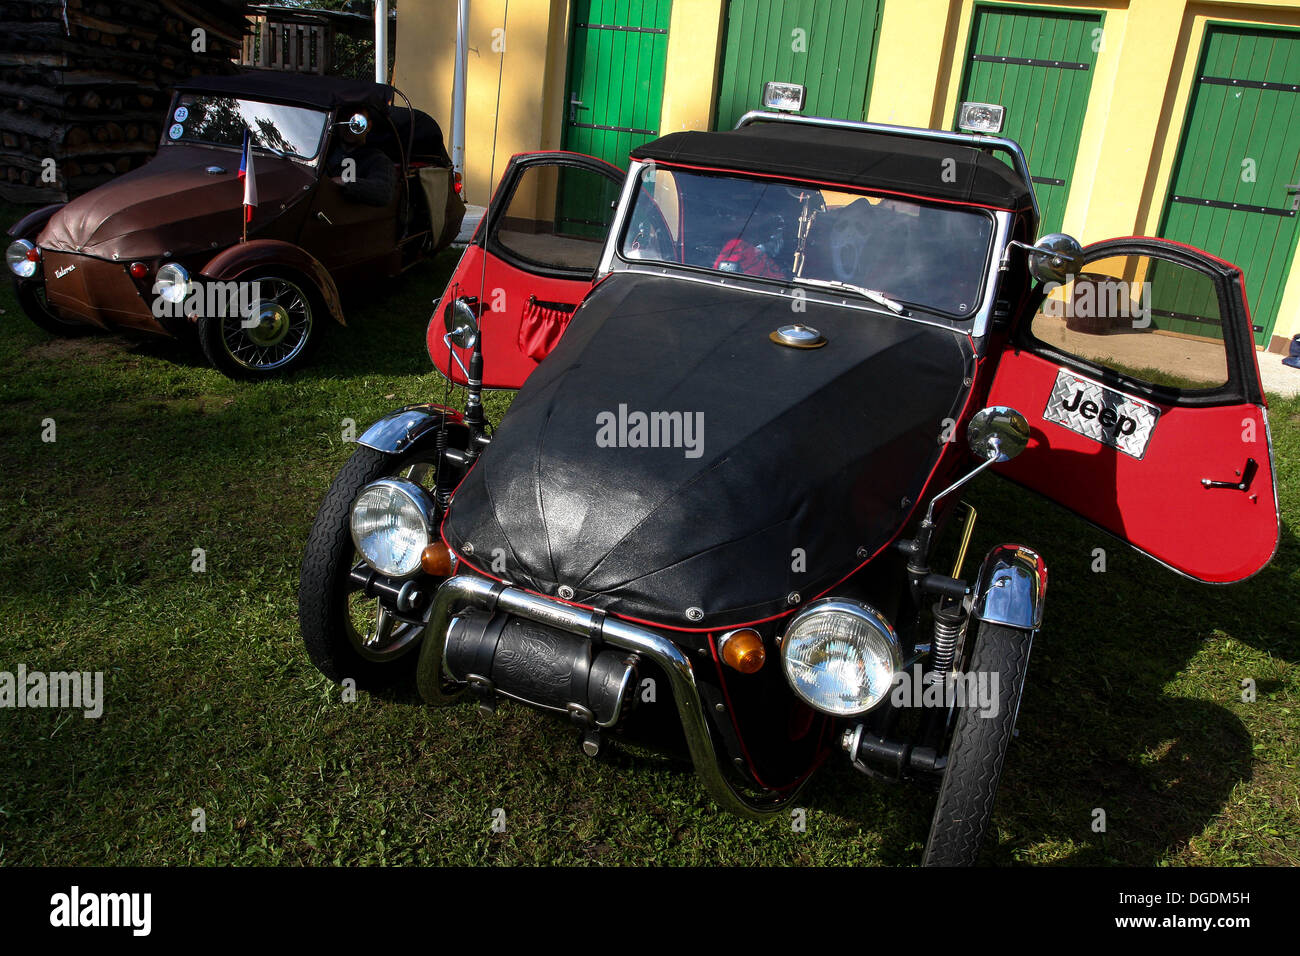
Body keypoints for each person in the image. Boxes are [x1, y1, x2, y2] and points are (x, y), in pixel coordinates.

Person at [326, 106, 397, 207]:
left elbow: (384, 191)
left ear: (368, 126)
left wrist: (346, 182)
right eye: (345, 119)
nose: (349, 126)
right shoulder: (326, 149)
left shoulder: (377, 159)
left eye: (357, 121)